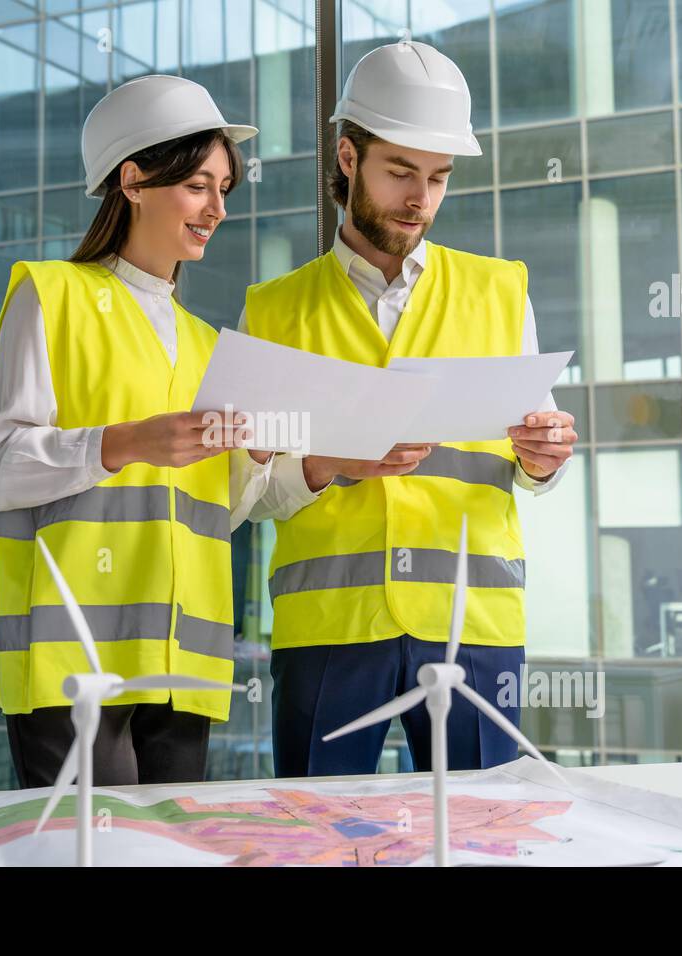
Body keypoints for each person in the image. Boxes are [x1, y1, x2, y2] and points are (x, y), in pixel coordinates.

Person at [240, 41, 577, 777]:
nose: (419, 198)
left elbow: (534, 461)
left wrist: (545, 457)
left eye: (437, 177)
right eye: (400, 172)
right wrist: (326, 465)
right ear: (348, 156)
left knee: (484, 839)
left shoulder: (499, 292)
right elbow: (244, 494)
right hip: (327, 629)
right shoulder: (273, 311)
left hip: (473, 628)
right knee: (321, 844)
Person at [0, 75, 270, 789]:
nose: (217, 208)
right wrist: (125, 443)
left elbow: (209, 513)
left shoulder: (209, 345)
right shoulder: (51, 295)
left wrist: (253, 463)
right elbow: (0, 468)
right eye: (200, 185)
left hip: (183, 662)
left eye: (224, 188)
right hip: (74, 656)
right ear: (134, 180)